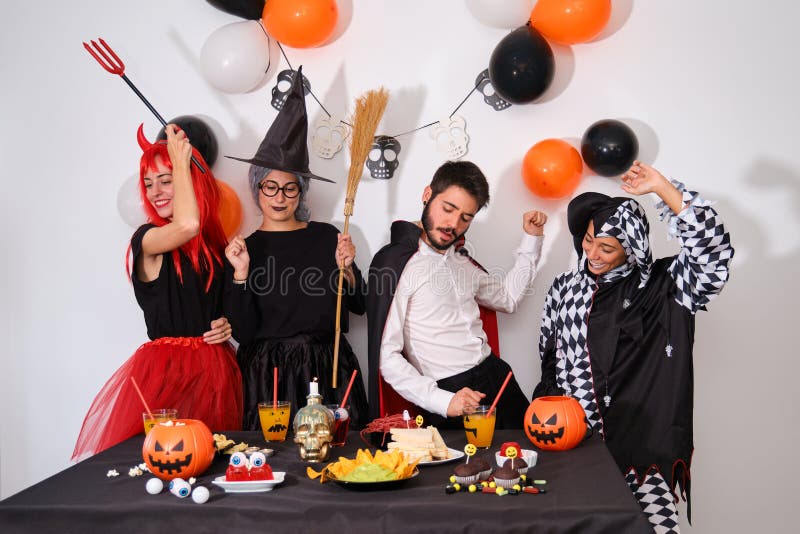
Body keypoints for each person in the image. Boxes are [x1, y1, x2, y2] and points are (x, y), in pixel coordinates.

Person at [532, 161, 734, 533]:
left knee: (652, 529)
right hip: (574, 448)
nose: (592, 252)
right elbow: (550, 359)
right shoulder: (564, 288)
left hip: (642, 450)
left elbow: (713, 257)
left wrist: (662, 188)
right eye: (589, 239)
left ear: (632, 248)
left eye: (607, 247)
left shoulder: (664, 287)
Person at [72, 125, 242, 461]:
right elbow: (187, 225)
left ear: (192, 181)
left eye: (165, 180)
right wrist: (179, 162)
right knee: (162, 460)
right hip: (167, 372)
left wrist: (226, 324)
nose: (155, 192)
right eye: (148, 183)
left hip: (215, 371)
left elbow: (220, 306)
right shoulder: (147, 239)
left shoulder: (213, 247)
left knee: (213, 461)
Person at [223, 66, 368, 430]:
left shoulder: (326, 236)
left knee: (336, 457)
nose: (280, 196)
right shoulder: (245, 249)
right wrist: (240, 274)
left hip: (326, 366)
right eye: (270, 187)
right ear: (257, 189)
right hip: (267, 374)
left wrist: (347, 269)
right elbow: (243, 331)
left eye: (290, 188)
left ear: (301, 191)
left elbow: (360, 305)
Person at [367, 160, 547, 429]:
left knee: (533, 461)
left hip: (498, 378)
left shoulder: (463, 262)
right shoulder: (396, 264)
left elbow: (508, 299)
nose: (453, 223)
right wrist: (441, 400)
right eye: (447, 209)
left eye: (466, 217)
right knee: (462, 470)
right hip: (449, 393)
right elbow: (387, 356)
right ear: (427, 195)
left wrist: (531, 239)